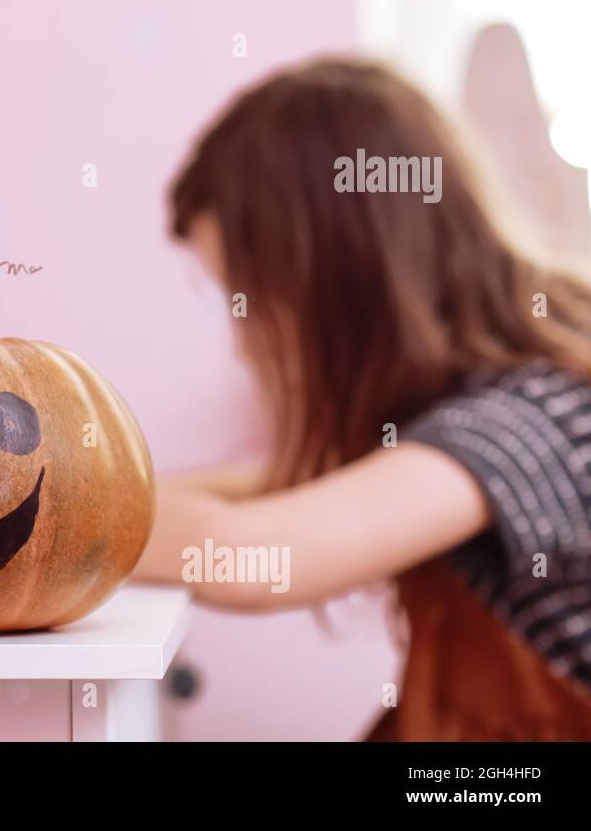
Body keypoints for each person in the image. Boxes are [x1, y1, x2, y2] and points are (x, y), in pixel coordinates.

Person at [136, 58, 591, 739]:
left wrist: (45, 528)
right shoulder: (499, 392)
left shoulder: (524, 421)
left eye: (247, 302)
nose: (243, 345)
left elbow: (250, 554)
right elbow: (277, 487)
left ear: (336, 281)